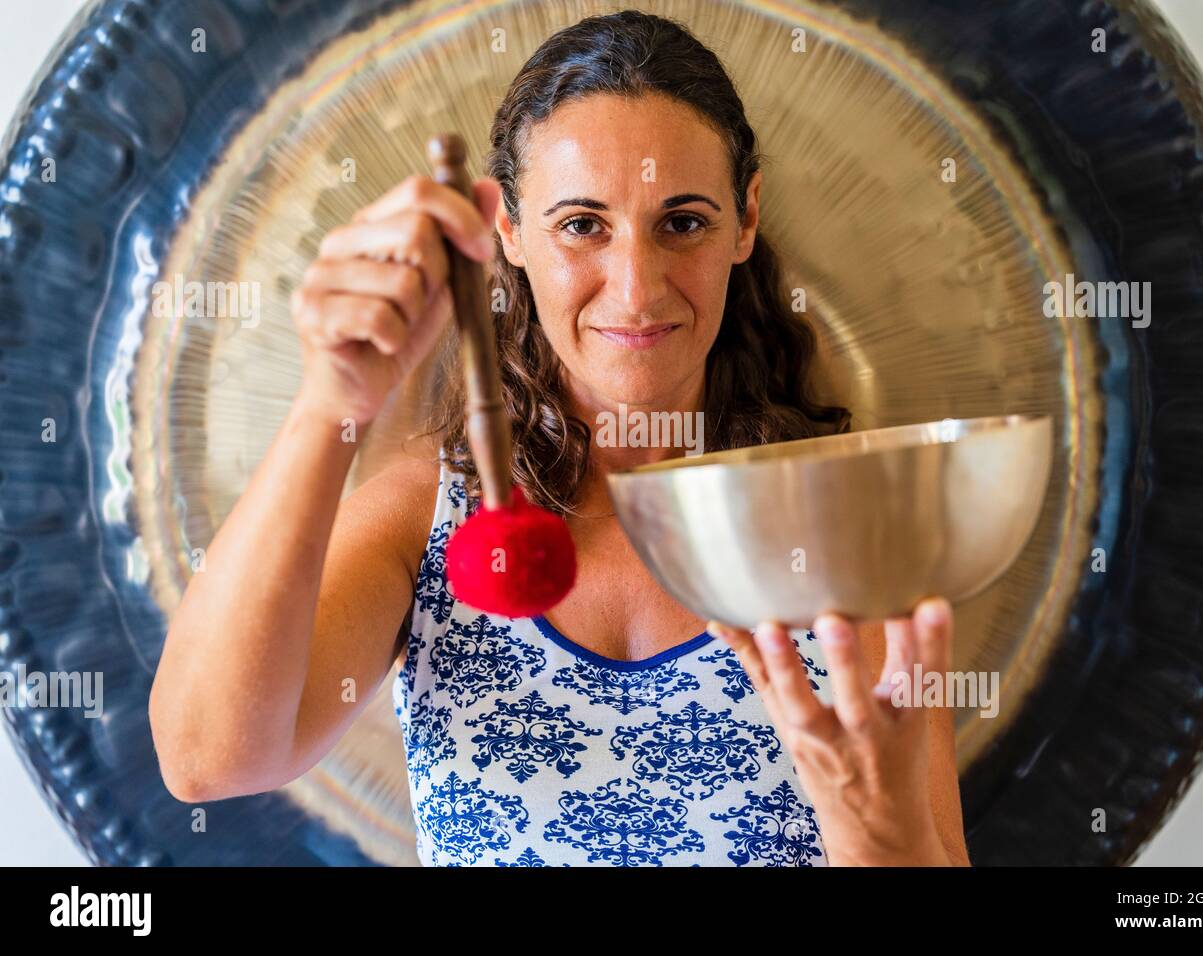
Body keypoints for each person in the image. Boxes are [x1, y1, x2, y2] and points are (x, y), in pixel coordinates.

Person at [149, 8, 970, 867]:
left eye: (682, 221)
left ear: (747, 217)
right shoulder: (424, 518)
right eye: (582, 224)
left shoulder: (851, 526)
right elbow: (207, 760)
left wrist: (869, 826)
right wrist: (330, 403)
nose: (636, 289)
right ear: (507, 229)